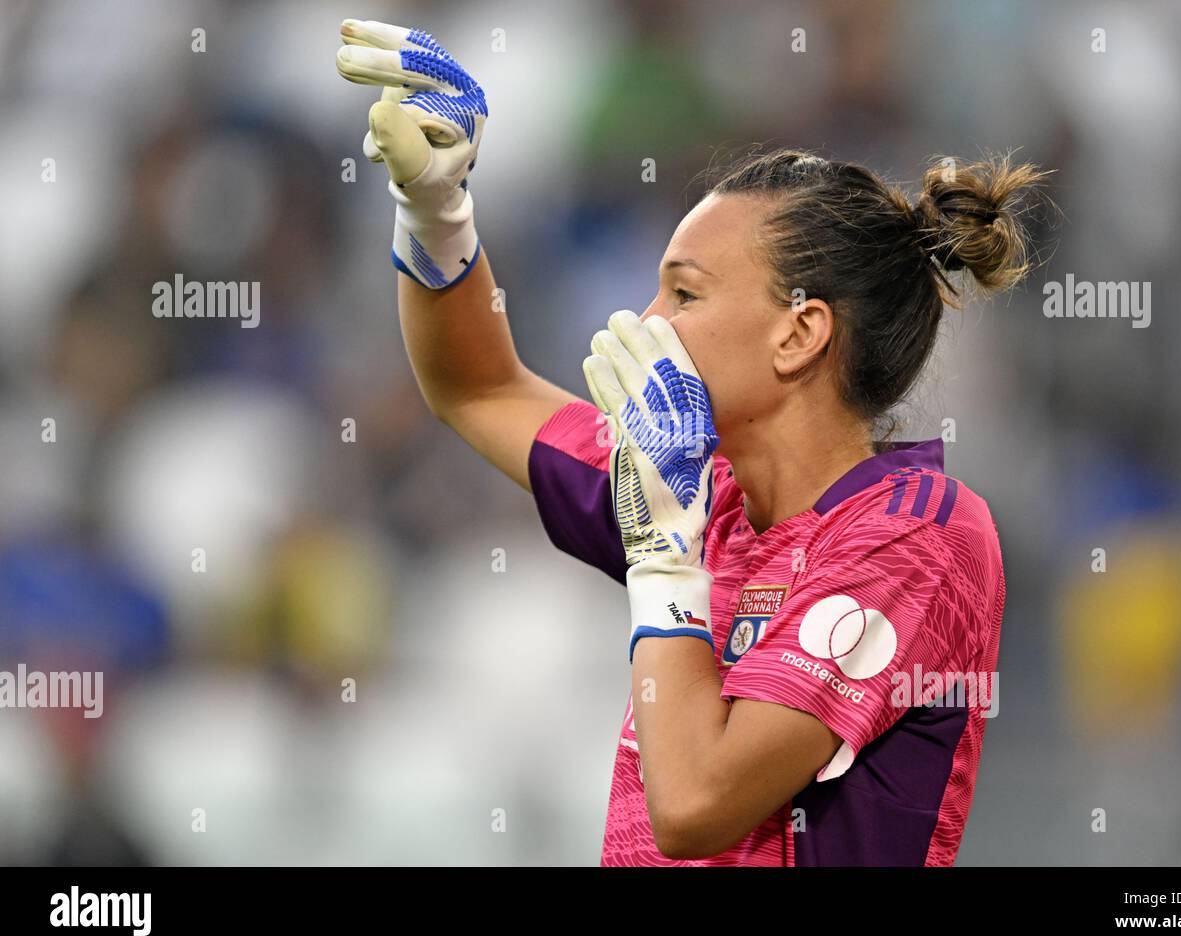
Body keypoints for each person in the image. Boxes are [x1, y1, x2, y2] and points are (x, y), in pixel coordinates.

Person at [337, 18, 1046, 866]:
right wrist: (437, 206)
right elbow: (476, 386)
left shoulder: (920, 534)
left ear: (799, 333)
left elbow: (695, 805)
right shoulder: (698, 492)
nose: (648, 322)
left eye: (685, 292)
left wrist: (666, 557)